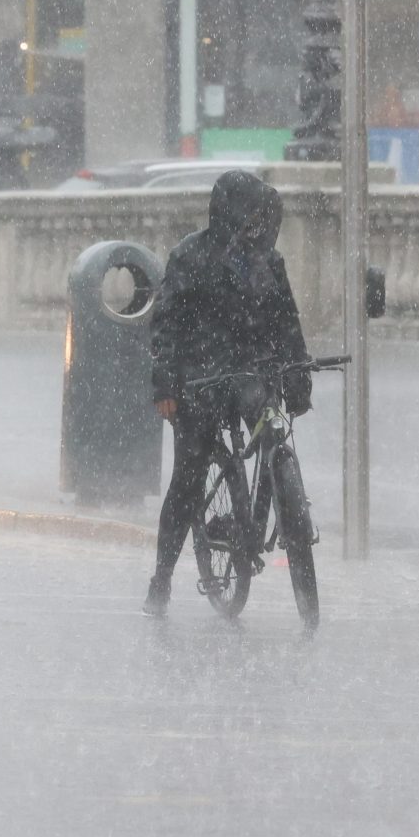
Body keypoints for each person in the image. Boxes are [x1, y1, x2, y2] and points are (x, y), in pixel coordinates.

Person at [142, 169, 310, 618]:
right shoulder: (189, 256)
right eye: (250, 212)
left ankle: (280, 505)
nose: (257, 222)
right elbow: (166, 325)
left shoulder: (269, 261)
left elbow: (287, 321)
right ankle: (161, 579)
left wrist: (297, 375)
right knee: (188, 478)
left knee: (272, 427)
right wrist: (165, 385)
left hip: (250, 375)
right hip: (199, 381)